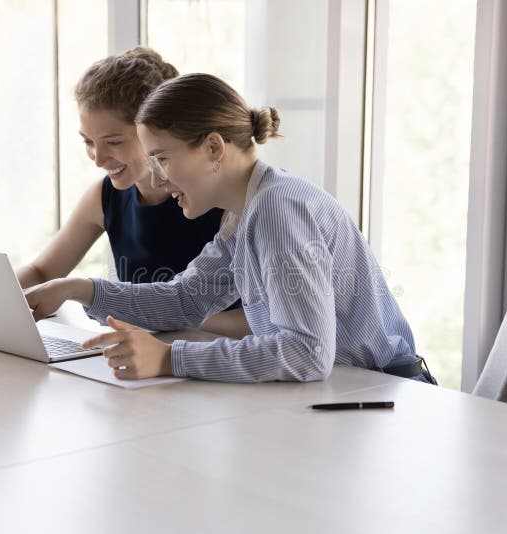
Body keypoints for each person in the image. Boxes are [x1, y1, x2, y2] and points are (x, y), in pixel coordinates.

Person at [25, 73, 434, 384]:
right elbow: (186, 299)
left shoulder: (277, 210)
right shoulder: (246, 212)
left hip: (386, 393)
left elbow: (307, 352)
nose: (158, 179)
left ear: (214, 148)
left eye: (162, 158)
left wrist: (170, 358)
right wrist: (78, 289)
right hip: (342, 392)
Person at [0, 48, 248, 339]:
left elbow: (254, 319)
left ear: (155, 131)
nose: (97, 157)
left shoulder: (217, 200)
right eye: (87, 141)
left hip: (205, 357)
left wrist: (162, 315)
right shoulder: (105, 196)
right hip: (140, 357)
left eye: (113, 141)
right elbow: (42, 271)